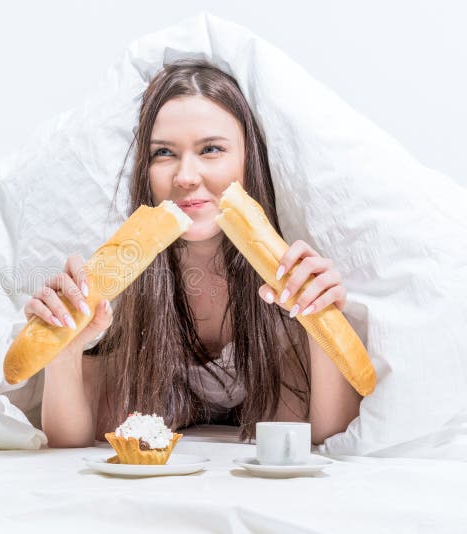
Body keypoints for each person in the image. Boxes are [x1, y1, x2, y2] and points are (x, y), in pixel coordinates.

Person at [29, 59, 362, 448]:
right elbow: (68, 441)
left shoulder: (287, 276)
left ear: (248, 160)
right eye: (163, 153)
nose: (185, 176)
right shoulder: (128, 286)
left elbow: (326, 435)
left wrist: (321, 322)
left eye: (211, 149)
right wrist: (63, 352)